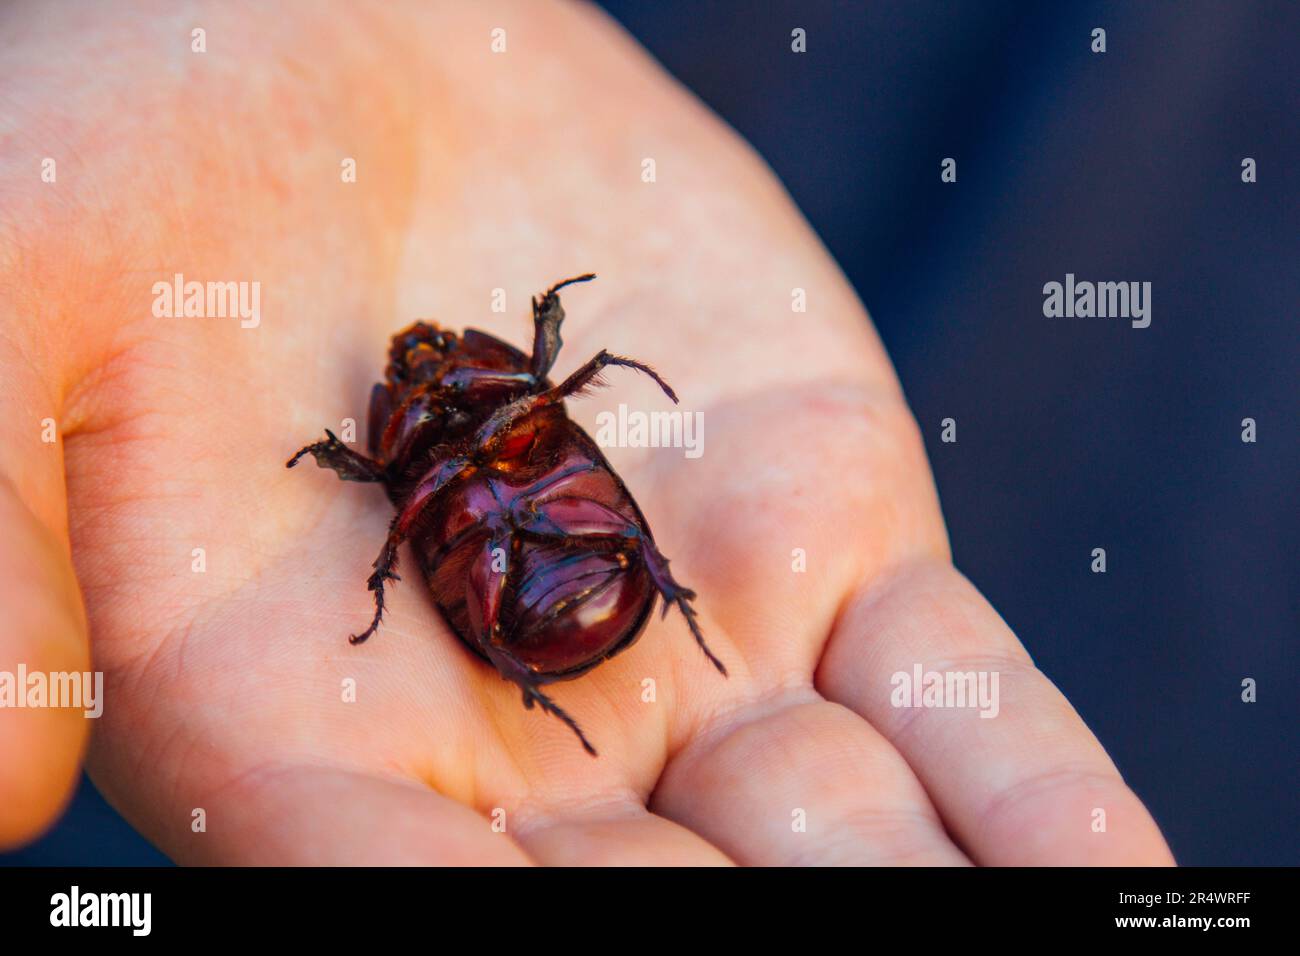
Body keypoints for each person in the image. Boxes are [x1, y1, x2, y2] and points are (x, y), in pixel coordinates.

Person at [0, 0, 1172, 865]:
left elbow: (508, 427)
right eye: (415, 371)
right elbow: (409, 483)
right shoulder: (432, 441)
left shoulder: (510, 401)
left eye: (440, 357)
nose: (424, 365)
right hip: (534, 580)